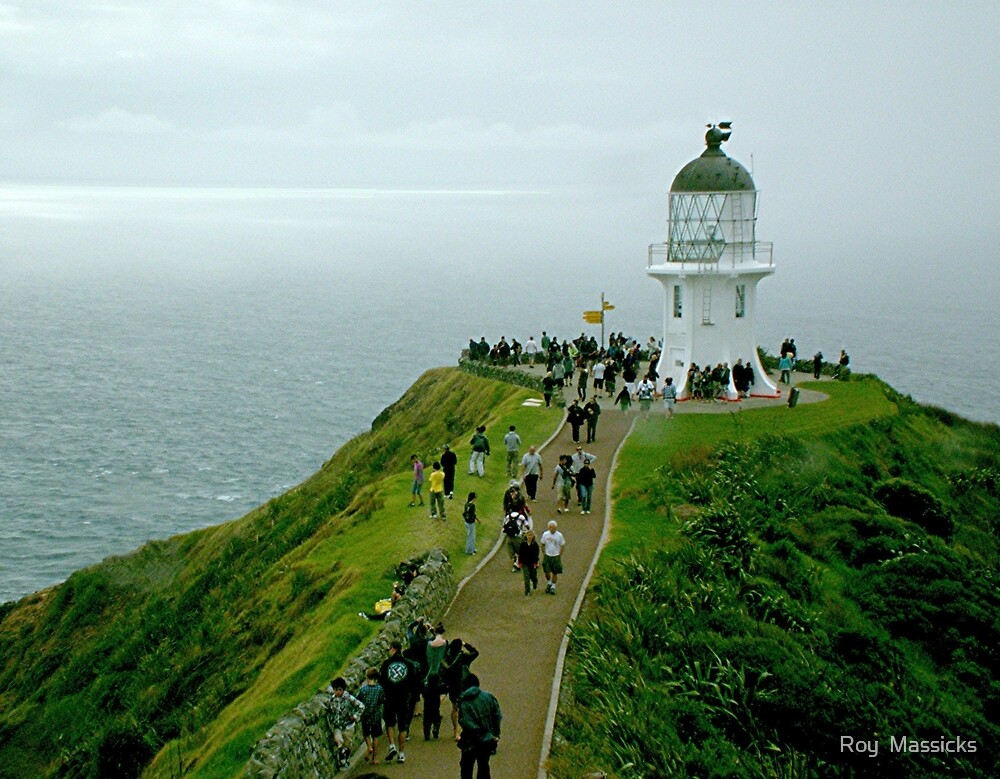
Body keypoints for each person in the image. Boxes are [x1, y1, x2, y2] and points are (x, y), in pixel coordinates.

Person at [380, 641, 419, 764]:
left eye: (389, 648)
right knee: (403, 727)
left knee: (390, 723)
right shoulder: (409, 664)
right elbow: (414, 682)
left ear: (394, 649)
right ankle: (401, 754)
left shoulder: (386, 664)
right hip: (403, 699)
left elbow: (382, 682)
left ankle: (392, 745)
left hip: (390, 698)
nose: (388, 651)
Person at [456, 673, 502, 779]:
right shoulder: (489, 697)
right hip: (487, 740)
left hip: (470, 741)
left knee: (466, 768)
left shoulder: (464, 702)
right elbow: (497, 716)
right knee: (484, 766)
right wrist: (495, 734)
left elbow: (465, 722)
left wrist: (478, 731)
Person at [325, 677, 365, 771]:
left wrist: (355, 717)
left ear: (343, 689)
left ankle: (346, 758)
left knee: (347, 744)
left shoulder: (349, 698)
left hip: (348, 726)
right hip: (337, 726)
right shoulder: (332, 699)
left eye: (340, 690)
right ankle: (342, 761)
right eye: (336, 690)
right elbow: (329, 710)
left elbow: (361, 706)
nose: (338, 692)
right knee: (339, 741)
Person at [442, 639, 480, 737]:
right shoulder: (464, 657)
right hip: (464, 685)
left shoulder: (447, 658)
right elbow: (475, 653)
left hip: (452, 686)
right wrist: (466, 644)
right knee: (467, 707)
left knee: (455, 708)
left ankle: (456, 731)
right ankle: (467, 729)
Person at [355, 667, 386, 765]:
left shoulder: (363, 689)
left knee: (366, 734)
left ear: (367, 677)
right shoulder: (380, 689)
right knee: (376, 736)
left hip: (365, 715)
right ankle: (375, 757)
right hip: (376, 715)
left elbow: (358, 700)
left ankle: (369, 747)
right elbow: (382, 700)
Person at [540, 520, 566, 594]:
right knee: (546, 571)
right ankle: (549, 583)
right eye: (551, 527)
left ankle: (553, 586)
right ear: (549, 527)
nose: (553, 529)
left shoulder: (559, 535)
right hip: (548, 555)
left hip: (555, 555)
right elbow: (542, 544)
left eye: (554, 528)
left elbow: (562, 545)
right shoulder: (545, 534)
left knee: (555, 572)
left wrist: (559, 555)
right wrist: (544, 553)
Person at [517, 528, 540, 595]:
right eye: (528, 535)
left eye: (531, 535)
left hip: (532, 563)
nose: (529, 537)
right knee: (526, 577)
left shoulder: (535, 545)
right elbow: (520, 554)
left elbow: (536, 555)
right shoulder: (523, 545)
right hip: (525, 563)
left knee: (533, 576)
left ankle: (535, 583)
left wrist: (536, 563)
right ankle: (527, 590)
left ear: (533, 537)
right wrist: (520, 562)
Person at [423, 671, 445, 740]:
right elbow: (443, 692)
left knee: (426, 721)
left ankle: (427, 733)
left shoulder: (426, 688)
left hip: (427, 707)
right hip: (436, 706)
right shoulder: (438, 688)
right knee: (437, 719)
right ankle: (436, 729)